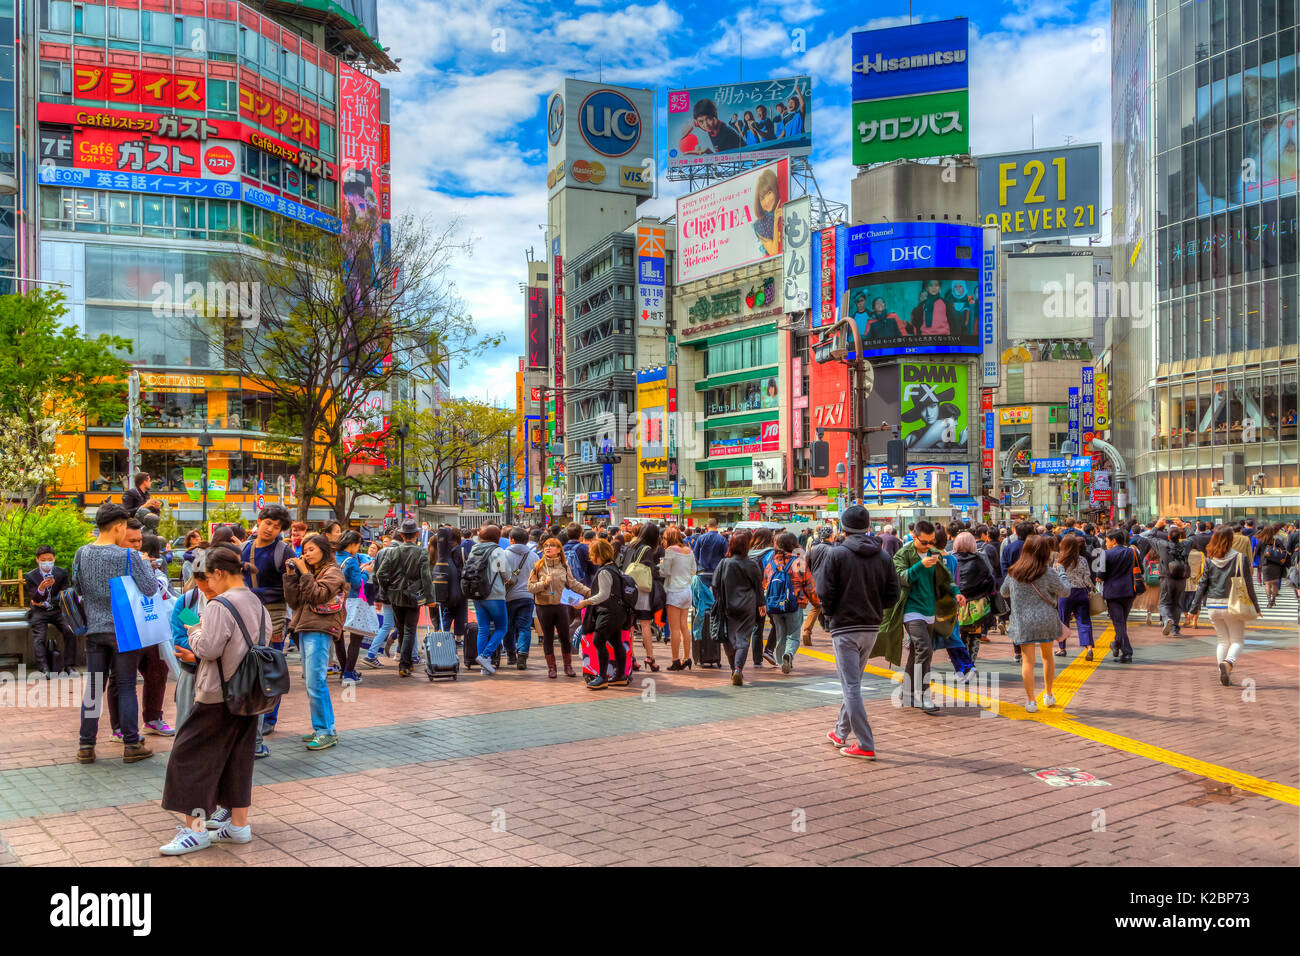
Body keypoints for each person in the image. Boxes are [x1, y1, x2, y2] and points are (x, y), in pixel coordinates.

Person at [157, 543, 270, 855]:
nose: (205, 584)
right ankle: (238, 825)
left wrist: (194, 626)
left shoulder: (221, 605)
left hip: (217, 693)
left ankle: (195, 831)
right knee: (238, 758)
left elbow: (206, 649)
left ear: (219, 573)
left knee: (188, 757)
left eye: (207, 576)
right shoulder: (256, 602)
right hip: (249, 693)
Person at [73, 503, 160, 765]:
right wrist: (145, 565)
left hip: (94, 630)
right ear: (119, 526)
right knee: (126, 687)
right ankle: (132, 745)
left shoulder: (81, 553)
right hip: (124, 629)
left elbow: (77, 586)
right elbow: (150, 589)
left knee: (94, 687)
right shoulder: (127, 556)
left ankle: (86, 746)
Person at [812, 505, 899, 759]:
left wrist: (830, 615)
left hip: (844, 627)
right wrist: (874, 607)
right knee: (854, 683)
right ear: (868, 526)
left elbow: (824, 592)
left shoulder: (837, 554)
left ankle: (865, 742)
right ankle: (840, 732)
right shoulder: (883, 557)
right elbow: (893, 594)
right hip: (871, 626)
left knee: (850, 686)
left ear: (843, 527)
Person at [877, 520, 967, 713]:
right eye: (925, 542)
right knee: (924, 648)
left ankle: (907, 693)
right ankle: (924, 695)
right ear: (914, 537)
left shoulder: (934, 554)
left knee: (916, 652)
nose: (929, 546)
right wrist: (920, 566)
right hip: (910, 609)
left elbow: (946, 580)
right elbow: (901, 577)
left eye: (932, 542)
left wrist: (956, 592)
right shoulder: (903, 554)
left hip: (930, 610)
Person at [283, 533, 346, 750]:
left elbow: (317, 596)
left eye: (311, 549)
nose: (306, 554)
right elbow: (294, 601)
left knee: (315, 681)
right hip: (306, 627)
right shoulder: (311, 572)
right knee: (313, 681)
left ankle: (325, 731)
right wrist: (292, 575)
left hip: (319, 629)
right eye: (304, 550)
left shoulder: (333, 572)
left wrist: (303, 573)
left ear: (323, 550)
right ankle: (326, 727)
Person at [241, 504, 292, 753]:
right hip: (248, 613)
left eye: (277, 526)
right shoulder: (245, 549)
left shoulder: (284, 551)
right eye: (268, 523)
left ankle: (270, 718)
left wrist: (258, 593)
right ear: (259, 520)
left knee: (271, 666)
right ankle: (254, 715)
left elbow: (290, 588)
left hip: (275, 614)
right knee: (249, 664)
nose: (270, 529)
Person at [1000, 535, 1070, 712]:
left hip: (1023, 621)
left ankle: (1031, 700)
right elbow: (1065, 591)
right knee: (1047, 657)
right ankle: (1048, 694)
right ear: (1045, 552)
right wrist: (1062, 572)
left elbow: (1003, 592)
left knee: (1028, 661)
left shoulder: (1014, 572)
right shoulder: (1048, 572)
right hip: (1045, 620)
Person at [1188, 527, 1261, 686]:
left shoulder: (1209, 559)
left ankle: (1223, 675)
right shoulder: (1240, 558)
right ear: (1231, 539)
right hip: (1233, 605)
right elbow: (1249, 585)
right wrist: (1256, 606)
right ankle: (1228, 663)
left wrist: (1193, 608)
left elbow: (1202, 585)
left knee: (1222, 641)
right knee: (1237, 641)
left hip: (1213, 606)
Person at [372, 517, 433, 679]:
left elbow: (380, 574)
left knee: (400, 628)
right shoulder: (421, 552)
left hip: (395, 595)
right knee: (409, 630)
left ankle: (405, 662)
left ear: (402, 535)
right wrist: (430, 597)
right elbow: (426, 577)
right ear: (416, 534)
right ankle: (405, 663)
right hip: (413, 595)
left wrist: (387, 588)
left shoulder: (392, 551)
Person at [527, 537, 589, 678]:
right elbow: (530, 587)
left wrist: (589, 591)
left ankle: (568, 666)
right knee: (548, 637)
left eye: (552, 545)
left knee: (564, 637)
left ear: (559, 550)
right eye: (546, 545)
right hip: (543, 607)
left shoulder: (564, 566)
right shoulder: (538, 566)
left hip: (560, 606)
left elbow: (573, 584)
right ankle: (552, 668)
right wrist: (543, 583)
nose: (548, 547)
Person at [711, 531, 765, 687]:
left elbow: (714, 584)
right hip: (747, 606)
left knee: (728, 638)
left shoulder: (724, 563)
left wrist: (720, 598)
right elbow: (758, 587)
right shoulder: (752, 564)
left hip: (727, 605)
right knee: (743, 639)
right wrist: (761, 604)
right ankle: (738, 669)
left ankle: (733, 669)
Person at [574, 539, 629, 690]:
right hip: (619, 612)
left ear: (599, 555)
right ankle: (620, 676)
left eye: (592, 555)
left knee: (598, 641)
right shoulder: (614, 568)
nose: (591, 558)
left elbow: (603, 595)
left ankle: (602, 677)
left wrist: (585, 602)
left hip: (608, 613)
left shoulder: (604, 571)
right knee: (617, 643)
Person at [763, 532, 819, 674]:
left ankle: (782, 661)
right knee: (793, 635)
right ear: (793, 544)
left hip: (775, 605)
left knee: (781, 635)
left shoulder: (771, 562)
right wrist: (816, 602)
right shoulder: (798, 562)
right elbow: (808, 585)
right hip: (794, 604)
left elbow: (765, 584)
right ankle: (789, 655)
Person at [466, 525, 511, 675]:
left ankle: (484, 666)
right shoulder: (497, 551)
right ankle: (485, 656)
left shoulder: (474, 549)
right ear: (497, 536)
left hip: (477, 594)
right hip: (495, 594)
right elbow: (506, 574)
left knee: (483, 628)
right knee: (502, 627)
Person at [619, 524, 664, 672]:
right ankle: (650, 657)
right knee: (645, 623)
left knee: (629, 625)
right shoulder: (647, 549)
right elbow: (650, 571)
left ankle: (630, 657)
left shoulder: (630, 545)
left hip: (628, 588)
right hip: (642, 590)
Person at [26, 544, 74, 677]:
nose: (46, 562)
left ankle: (69, 666)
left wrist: (45, 601)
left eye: (49, 559)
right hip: (38, 612)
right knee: (39, 637)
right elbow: (34, 597)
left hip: (58, 610)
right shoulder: (30, 576)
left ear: (54, 559)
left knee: (69, 631)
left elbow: (64, 594)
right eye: (43, 559)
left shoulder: (61, 573)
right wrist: (40, 589)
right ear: (37, 560)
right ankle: (44, 668)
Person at [1095, 528, 1139, 663]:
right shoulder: (1132, 552)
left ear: (1113, 541)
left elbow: (1100, 575)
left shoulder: (1106, 554)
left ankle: (1127, 652)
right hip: (1129, 591)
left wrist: (1100, 577)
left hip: (1113, 593)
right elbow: (1140, 568)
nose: (1106, 543)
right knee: (1122, 622)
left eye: (1107, 541)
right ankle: (1116, 643)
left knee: (1119, 623)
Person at [953, 531, 996, 666]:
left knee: (960, 635)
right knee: (975, 634)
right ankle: (970, 664)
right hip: (976, 604)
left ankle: (962, 665)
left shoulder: (951, 559)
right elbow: (989, 579)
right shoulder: (979, 559)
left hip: (957, 604)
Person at [1054, 533, 1097, 660]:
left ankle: (1062, 648)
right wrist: (1090, 588)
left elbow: (1055, 578)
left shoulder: (1059, 560)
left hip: (1065, 593)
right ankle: (1088, 646)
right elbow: (1087, 577)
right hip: (1081, 593)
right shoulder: (1082, 560)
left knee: (1063, 620)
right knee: (1084, 621)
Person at [659, 527, 696, 670]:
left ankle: (675, 660)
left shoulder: (670, 551)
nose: (663, 541)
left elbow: (665, 572)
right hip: (687, 591)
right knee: (683, 627)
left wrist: (660, 566)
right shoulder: (689, 551)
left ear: (669, 538)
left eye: (664, 538)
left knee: (674, 628)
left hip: (674, 591)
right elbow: (693, 570)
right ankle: (687, 657)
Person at [334, 530, 370, 683]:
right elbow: (357, 583)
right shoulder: (351, 561)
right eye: (358, 545)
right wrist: (366, 573)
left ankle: (344, 669)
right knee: (356, 637)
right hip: (354, 602)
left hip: (337, 602)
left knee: (339, 638)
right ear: (352, 544)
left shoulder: (334, 557)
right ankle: (349, 673)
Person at [502, 527, 539, 670]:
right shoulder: (534, 556)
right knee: (524, 627)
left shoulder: (504, 554)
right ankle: (523, 654)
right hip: (527, 596)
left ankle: (511, 654)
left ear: (511, 540)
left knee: (508, 626)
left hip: (508, 597)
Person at [1261, 535, 1289, 608]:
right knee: (1274, 583)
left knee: (1267, 583)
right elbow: (1284, 551)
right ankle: (1273, 600)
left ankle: (1269, 601)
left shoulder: (1262, 541)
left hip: (1265, 564)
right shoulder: (1277, 541)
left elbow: (1257, 552)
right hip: (1276, 565)